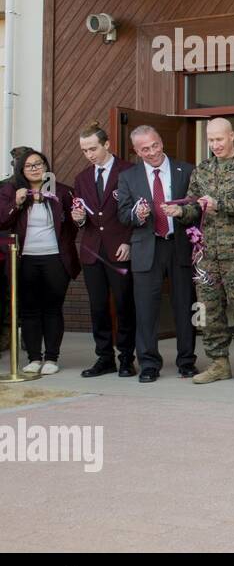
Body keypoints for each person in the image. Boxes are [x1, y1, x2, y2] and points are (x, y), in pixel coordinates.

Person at [178, 119, 234, 385]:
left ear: (231, 136)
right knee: (209, 311)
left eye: (219, 139)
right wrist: (180, 212)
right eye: (211, 140)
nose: (215, 145)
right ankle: (218, 363)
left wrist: (220, 205)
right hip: (207, 254)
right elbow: (194, 207)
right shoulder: (201, 170)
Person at [115, 126, 198, 383]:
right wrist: (136, 216)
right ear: (136, 152)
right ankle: (149, 363)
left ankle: (186, 362)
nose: (152, 152)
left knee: (185, 306)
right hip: (146, 248)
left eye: (155, 145)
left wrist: (183, 213)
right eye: (144, 149)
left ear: (161, 142)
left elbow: (197, 207)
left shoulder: (186, 170)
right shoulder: (129, 177)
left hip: (179, 246)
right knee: (146, 310)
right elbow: (123, 214)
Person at [0, 149, 80, 374]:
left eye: (39, 164)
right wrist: (16, 203)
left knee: (52, 308)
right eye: (29, 165)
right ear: (21, 170)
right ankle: (34, 357)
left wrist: (62, 245)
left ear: (46, 166)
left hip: (55, 257)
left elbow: (72, 226)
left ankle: (52, 358)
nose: (35, 168)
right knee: (29, 310)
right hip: (24, 259)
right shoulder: (10, 190)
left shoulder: (62, 191)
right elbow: (3, 221)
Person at [72, 121, 136, 378]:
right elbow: (85, 217)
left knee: (124, 305)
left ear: (107, 144)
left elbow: (138, 211)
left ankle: (126, 359)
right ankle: (104, 358)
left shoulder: (130, 171)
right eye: (84, 150)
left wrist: (129, 242)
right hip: (92, 251)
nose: (89, 155)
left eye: (93, 149)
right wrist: (78, 218)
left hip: (120, 249)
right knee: (98, 307)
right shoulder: (82, 178)